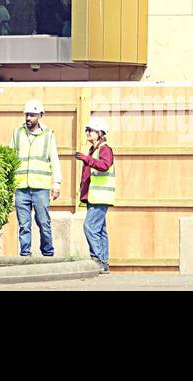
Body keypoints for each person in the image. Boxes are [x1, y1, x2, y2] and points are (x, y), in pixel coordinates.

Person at [11, 99, 61, 257]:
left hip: (40, 187)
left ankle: (48, 253)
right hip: (21, 187)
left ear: (40, 116)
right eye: (27, 115)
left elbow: (54, 159)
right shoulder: (18, 133)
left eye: (32, 115)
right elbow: (10, 157)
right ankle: (25, 254)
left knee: (43, 222)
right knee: (24, 225)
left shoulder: (48, 135)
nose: (28, 118)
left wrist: (57, 183)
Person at [75, 117, 116, 273]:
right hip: (95, 196)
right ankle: (104, 263)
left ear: (99, 133)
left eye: (90, 130)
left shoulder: (105, 149)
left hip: (100, 196)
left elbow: (105, 165)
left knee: (90, 227)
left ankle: (97, 260)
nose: (87, 132)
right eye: (86, 129)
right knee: (100, 230)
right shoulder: (94, 150)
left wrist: (88, 159)